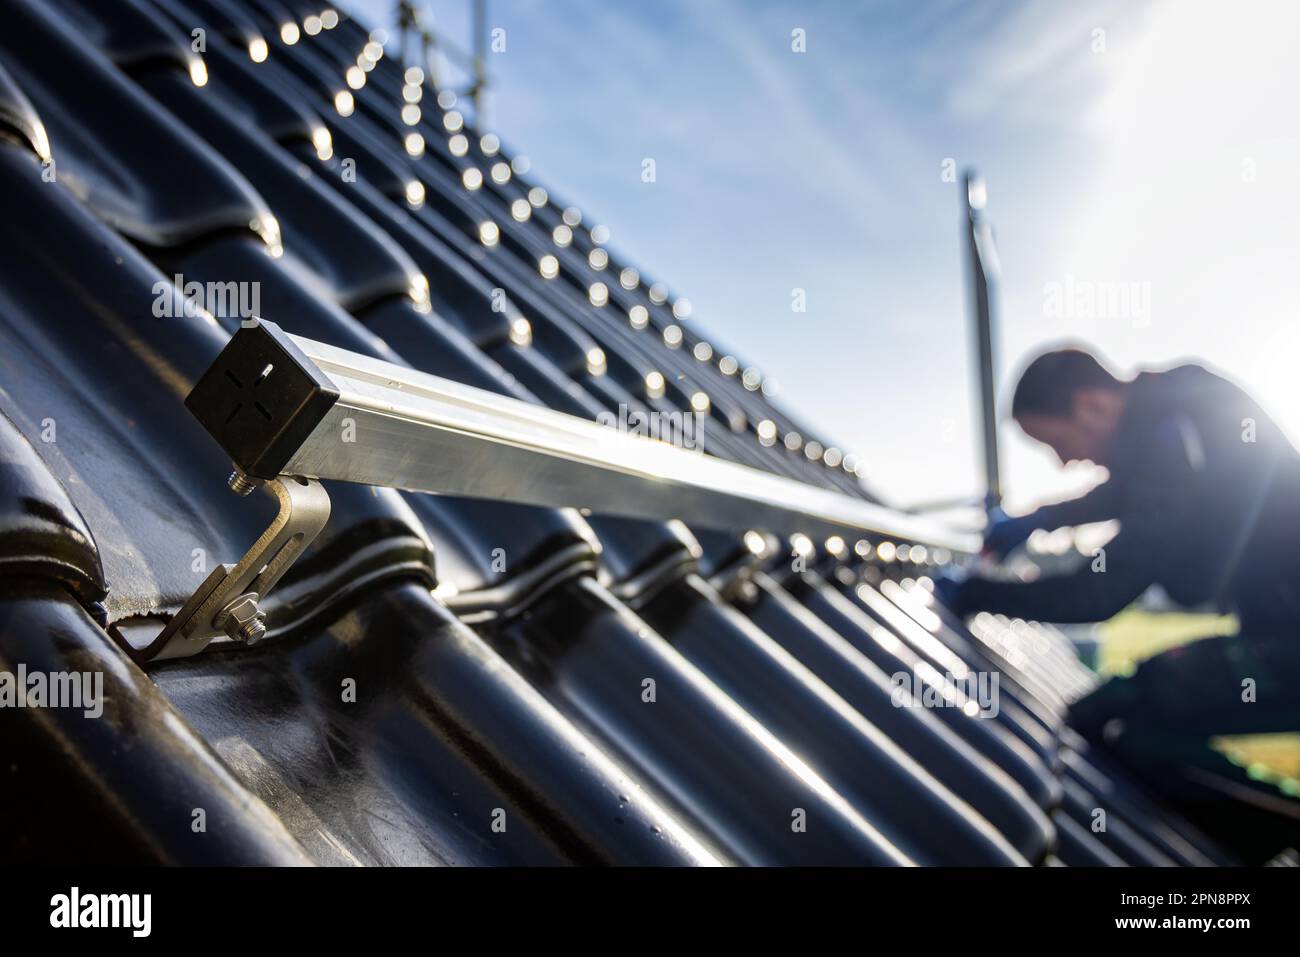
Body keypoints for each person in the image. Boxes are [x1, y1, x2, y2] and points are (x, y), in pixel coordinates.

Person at [936, 346, 1300, 859]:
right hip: (1280, 631)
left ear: (1090, 406)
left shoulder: (1177, 433)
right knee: (1121, 716)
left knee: (1112, 716)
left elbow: (1101, 591)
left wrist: (973, 593)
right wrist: (1037, 520)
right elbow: (1123, 494)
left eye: (1057, 442)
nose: (1064, 462)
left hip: (1289, 643)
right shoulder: (1181, 410)